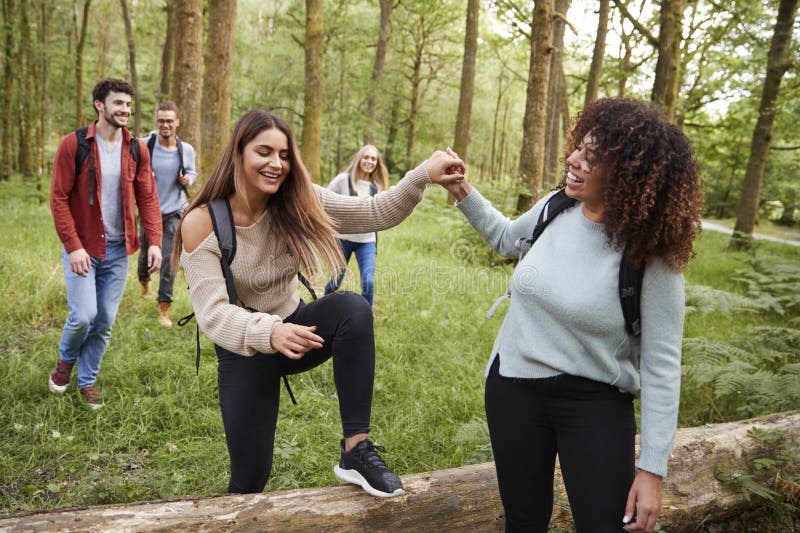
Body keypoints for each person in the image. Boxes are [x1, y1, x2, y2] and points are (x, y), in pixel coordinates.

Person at [437, 98, 701, 532]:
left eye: (591, 158)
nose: (573, 159)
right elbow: (506, 238)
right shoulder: (555, 208)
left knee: (605, 525)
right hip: (513, 389)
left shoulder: (650, 254)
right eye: (579, 147)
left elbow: (662, 367)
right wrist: (460, 189)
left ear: (627, 176)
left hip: (595, 403)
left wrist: (652, 470)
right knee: (523, 521)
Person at [174, 109, 463, 496]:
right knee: (249, 480)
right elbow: (212, 314)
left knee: (353, 308)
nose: (277, 164)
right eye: (264, 152)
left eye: (285, 154)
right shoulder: (202, 222)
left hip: (299, 330)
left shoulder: (297, 198)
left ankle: (355, 450)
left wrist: (422, 175)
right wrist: (270, 332)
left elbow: (374, 211)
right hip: (243, 348)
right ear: (238, 154)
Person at [49, 78, 162, 410]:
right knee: (83, 316)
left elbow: (149, 198)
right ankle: (66, 362)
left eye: (128, 104)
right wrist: (73, 247)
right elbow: (58, 199)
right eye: (118, 104)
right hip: (82, 249)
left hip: (117, 251)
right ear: (99, 105)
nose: (125, 110)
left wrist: (153, 241)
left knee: (104, 322)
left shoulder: (135, 149)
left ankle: (86, 381)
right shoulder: (74, 145)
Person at [138, 100, 197, 328]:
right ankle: (144, 281)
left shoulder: (186, 149)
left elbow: (191, 171)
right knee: (146, 255)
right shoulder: (144, 145)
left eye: (169, 121)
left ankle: (164, 309)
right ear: (156, 121)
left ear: (177, 122)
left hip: (174, 210)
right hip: (149, 212)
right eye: (161, 120)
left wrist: (187, 179)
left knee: (168, 260)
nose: (165, 125)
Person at [323, 145, 389, 306]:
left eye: (373, 159)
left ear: (377, 163)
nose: (369, 161)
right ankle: (322, 308)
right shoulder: (342, 180)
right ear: (359, 159)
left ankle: (366, 317)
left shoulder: (377, 187)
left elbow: (381, 212)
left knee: (368, 282)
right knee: (335, 282)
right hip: (341, 239)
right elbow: (323, 200)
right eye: (366, 157)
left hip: (366, 241)